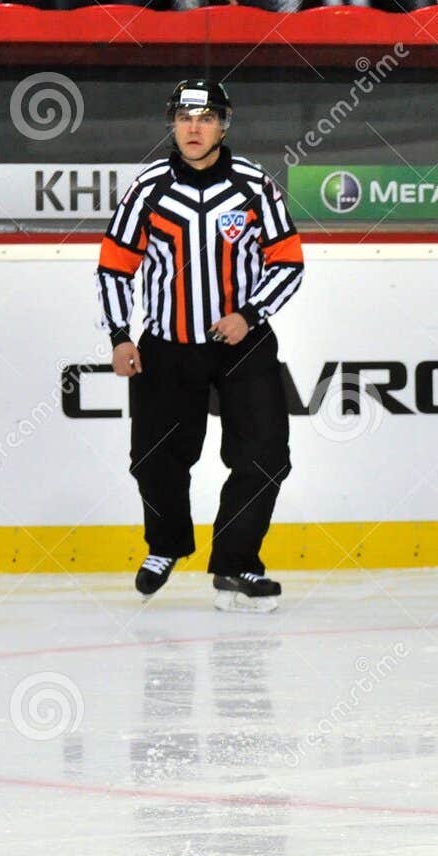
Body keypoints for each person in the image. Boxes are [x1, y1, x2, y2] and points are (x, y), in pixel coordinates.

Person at [97, 79, 303, 613]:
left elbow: (288, 262)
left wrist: (250, 314)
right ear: (172, 123)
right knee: (154, 458)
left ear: (223, 126)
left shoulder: (256, 186)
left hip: (244, 344)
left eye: (207, 118)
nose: (194, 128)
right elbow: (115, 266)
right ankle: (165, 546)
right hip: (167, 347)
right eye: (186, 117)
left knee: (265, 456)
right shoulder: (146, 189)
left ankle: (235, 562)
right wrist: (119, 334)